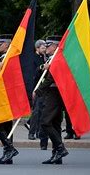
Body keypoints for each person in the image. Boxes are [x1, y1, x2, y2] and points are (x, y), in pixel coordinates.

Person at [33, 35, 69, 164]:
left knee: (45, 122)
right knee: (55, 124)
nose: (46, 47)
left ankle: (60, 148)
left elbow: (50, 78)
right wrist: (43, 67)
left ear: (55, 46)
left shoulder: (58, 59)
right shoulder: (51, 59)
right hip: (52, 94)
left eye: (48, 45)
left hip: (54, 94)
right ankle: (56, 155)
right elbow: (38, 71)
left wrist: (38, 90)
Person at [0, 34, 19, 164]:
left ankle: (10, 149)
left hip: (5, 96)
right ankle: (8, 154)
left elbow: (0, 76)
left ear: (6, 44)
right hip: (4, 96)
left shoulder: (8, 57)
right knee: (6, 126)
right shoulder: (3, 57)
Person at [27, 40, 47, 148]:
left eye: (45, 48)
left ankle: (39, 132)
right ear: (37, 48)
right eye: (43, 48)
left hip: (43, 87)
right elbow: (33, 72)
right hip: (36, 86)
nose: (44, 50)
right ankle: (31, 132)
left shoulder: (44, 57)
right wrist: (41, 68)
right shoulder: (33, 58)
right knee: (36, 111)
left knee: (42, 110)